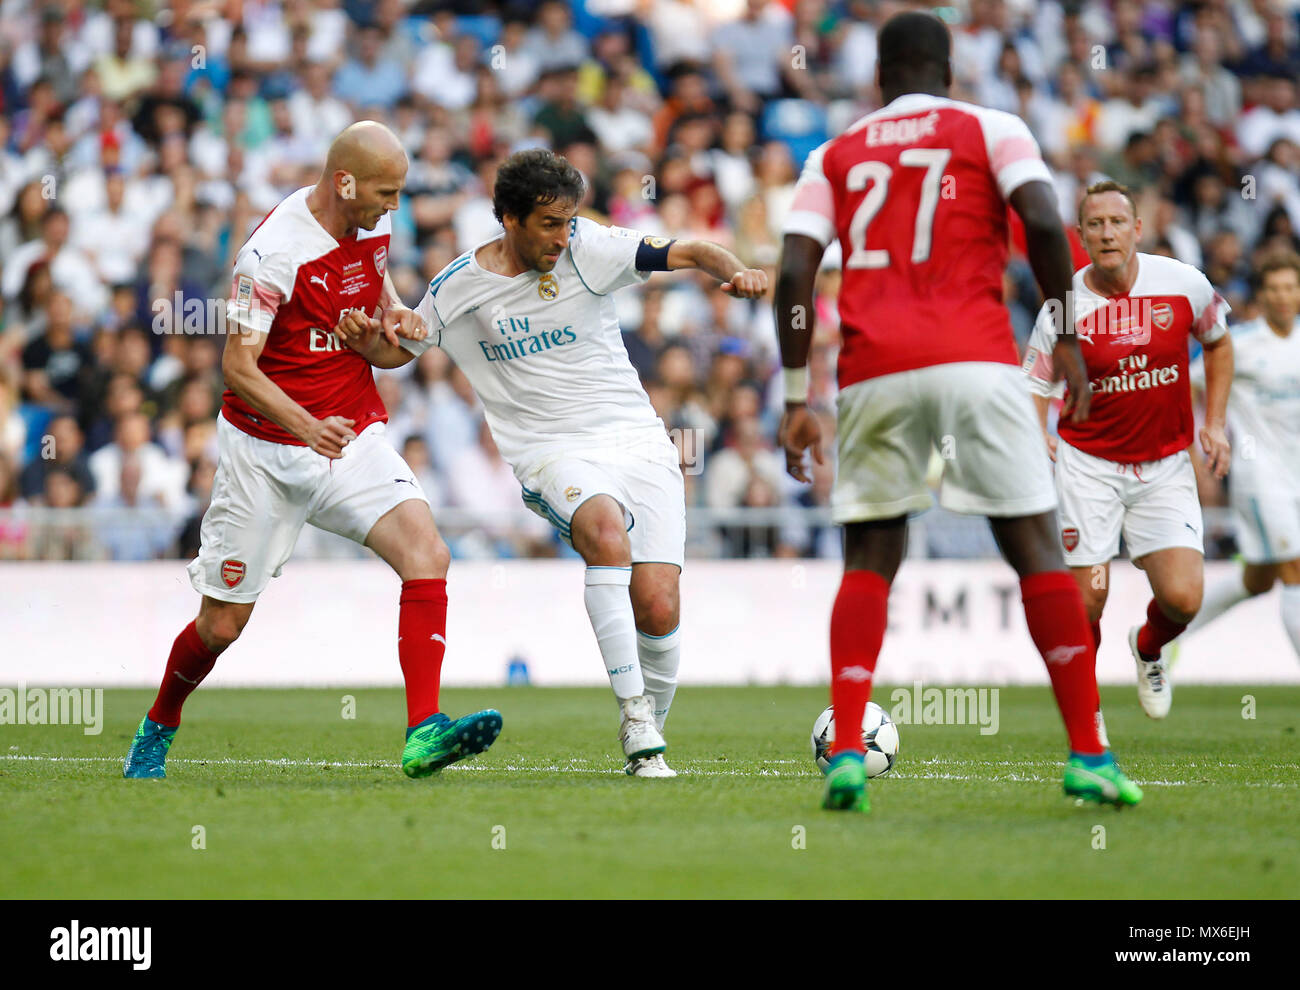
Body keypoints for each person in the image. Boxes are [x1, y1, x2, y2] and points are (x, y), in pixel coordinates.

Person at [775, 10, 1142, 813]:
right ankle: (1087, 753)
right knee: (1037, 551)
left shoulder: (835, 153)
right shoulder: (992, 128)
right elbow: (1046, 221)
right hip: (977, 360)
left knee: (869, 557)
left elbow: (796, 265)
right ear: (951, 70)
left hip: (873, 372)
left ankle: (844, 750)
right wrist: (1068, 336)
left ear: (879, 75)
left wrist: (798, 395)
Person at [333, 148, 767, 777]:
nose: (562, 238)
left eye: (568, 222)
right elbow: (402, 347)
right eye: (548, 224)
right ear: (508, 219)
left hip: (634, 438)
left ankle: (649, 729)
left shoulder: (589, 247)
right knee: (604, 536)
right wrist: (367, 341)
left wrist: (737, 270)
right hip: (549, 449)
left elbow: (691, 251)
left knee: (660, 605)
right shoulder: (459, 284)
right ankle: (637, 721)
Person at [123, 121, 501, 780]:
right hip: (266, 451)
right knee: (221, 626)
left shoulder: (374, 228)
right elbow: (237, 366)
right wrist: (303, 424)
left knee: (426, 552)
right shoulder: (272, 253)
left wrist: (399, 326)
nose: (394, 207)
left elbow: (384, 332)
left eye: (400, 193)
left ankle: (423, 731)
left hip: (349, 434)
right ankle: (159, 724)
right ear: (343, 180)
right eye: (385, 192)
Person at [1024, 180, 1233, 720]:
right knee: (1088, 598)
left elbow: (1218, 341)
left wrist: (1214, 423)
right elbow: (1034, 382)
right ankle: (1087, 711)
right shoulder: (1064, 304)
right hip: (1088, 465)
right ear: (1081, 236)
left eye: (1117, 222)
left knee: (1184, 599)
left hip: (1164, 464)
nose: (1107, 233)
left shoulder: (1182, 283)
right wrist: (1036, 429)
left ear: (1138, 229)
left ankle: (1148, 646)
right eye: (1095, 224)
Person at [1175, 252, 1300, 660]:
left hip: (1295, 473)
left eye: (1290, 287)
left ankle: (1168, 632)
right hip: (1259, 475)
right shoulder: (1239, 344)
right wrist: (1201, 438)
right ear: (1260, 296)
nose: (1283, 296)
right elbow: (1189, 386)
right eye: (1274, 288)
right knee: (1295, 570)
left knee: (1258, 579)